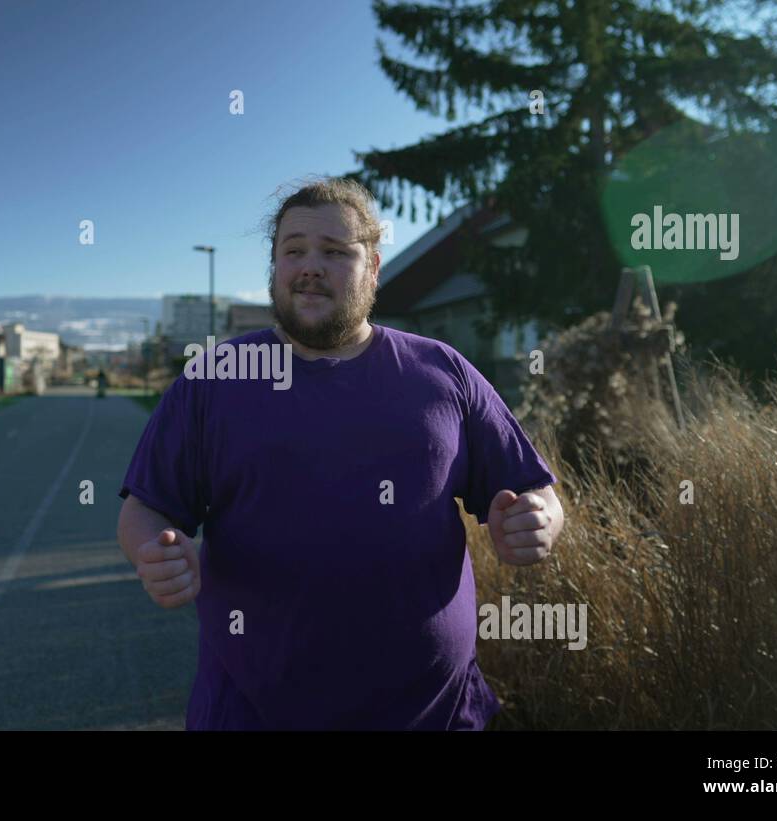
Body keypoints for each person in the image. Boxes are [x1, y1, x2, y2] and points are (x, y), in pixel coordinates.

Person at [116, 177, 564, 730]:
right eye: (294, 250)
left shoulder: (442, 372)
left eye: (334, 252)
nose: (310, 265)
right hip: (252, 712)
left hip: (435, 714)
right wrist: (151, 554)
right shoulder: (215, 377)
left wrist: (539, 520)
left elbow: (533, 490)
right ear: (274, 266)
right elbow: (146, 508)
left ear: (372, 268)